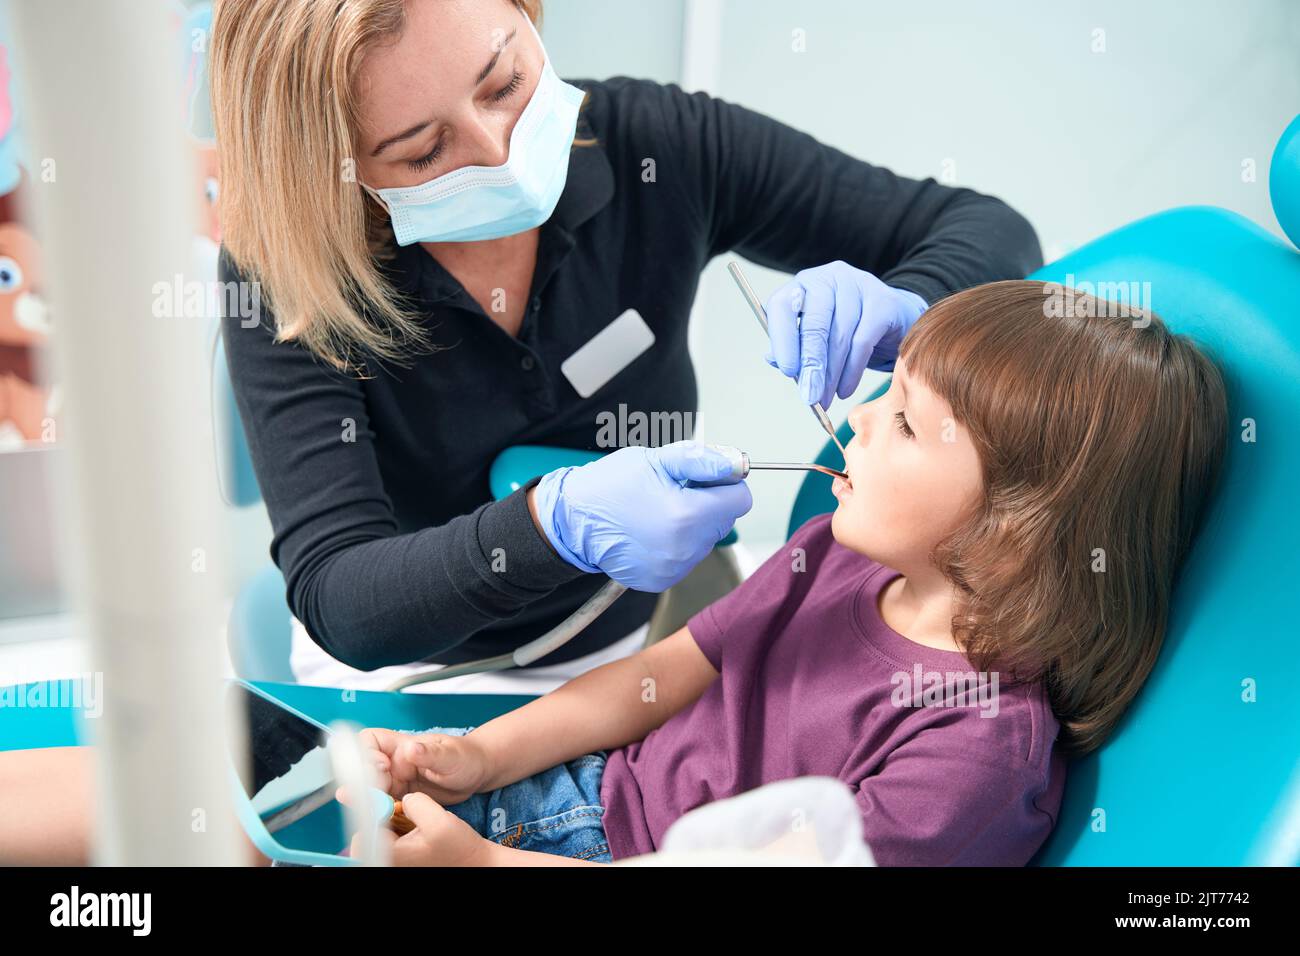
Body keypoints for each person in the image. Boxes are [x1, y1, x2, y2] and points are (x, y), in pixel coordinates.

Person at [209, 0, 1042, 690]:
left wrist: (911, 304)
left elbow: (990, 230)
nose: (500, 152)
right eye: (424, 151)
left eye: (505, 83)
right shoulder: (284, 268)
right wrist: (552, 526)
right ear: (335, 169)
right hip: (414, 674)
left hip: (643, 649)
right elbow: (342, 598)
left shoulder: (654, 146)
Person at [352, 281, 1228, 865]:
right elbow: (658, 678)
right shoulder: (833, 555)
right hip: (590, 796)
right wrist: (475, 756)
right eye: (889, 391)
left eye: (909, 424)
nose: (859, 415)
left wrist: (488, 866)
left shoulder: (977, 756)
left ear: (1013, 531)